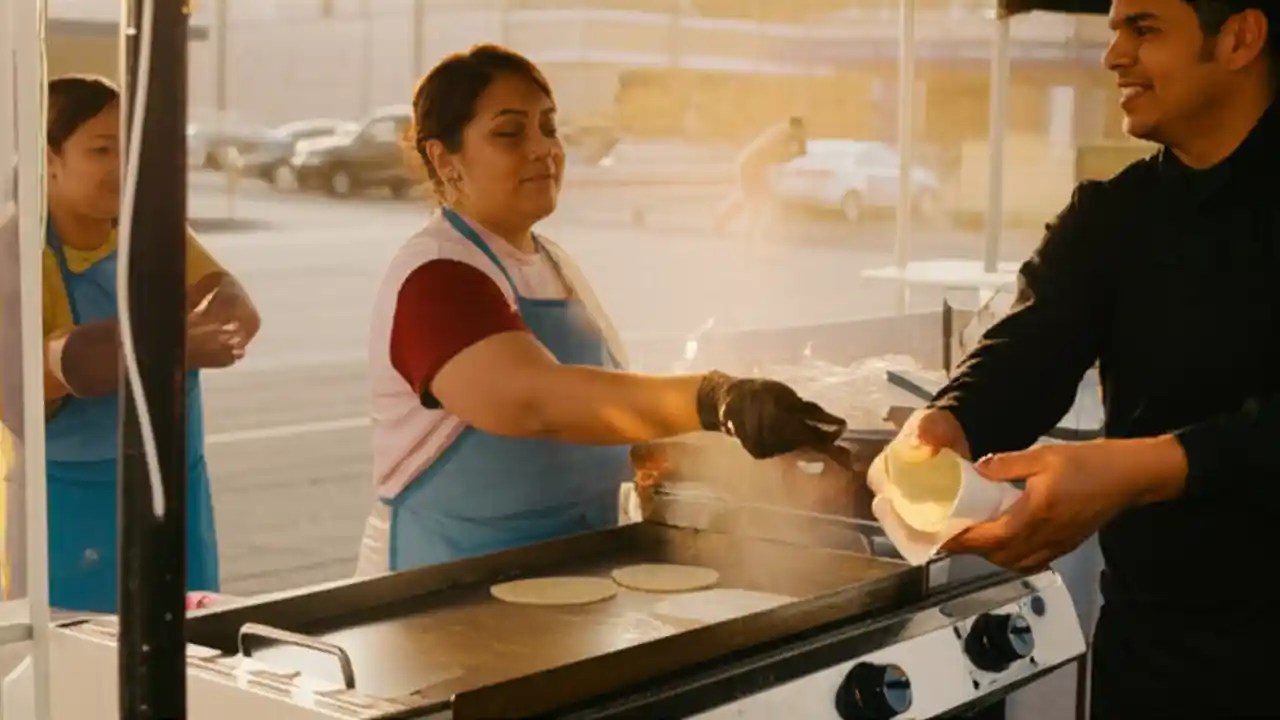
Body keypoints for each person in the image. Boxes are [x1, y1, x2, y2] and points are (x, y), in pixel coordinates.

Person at [889, 1, 1278, 716]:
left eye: (1145, 29)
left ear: (1239, 38)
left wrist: (1146, 468)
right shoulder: (1114, 217)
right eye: (1114, 31)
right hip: (1154, 654)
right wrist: (949, 422)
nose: (1113, 57)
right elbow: (1027, 349)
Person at [356, 46, 845, 575]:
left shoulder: (553, 265)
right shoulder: (437, 277)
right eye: (510, 133)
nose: (543, 148)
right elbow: (536, 401)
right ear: (444, 158)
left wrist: (752, 457)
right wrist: (711, 397)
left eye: (549, 127)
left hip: (572, 571)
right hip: (443, 590)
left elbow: (608, 416)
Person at [31, 74, 260, 612]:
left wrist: (213, 324)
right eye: (102, 149)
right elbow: (54, 368)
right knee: (82, 672)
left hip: (173, 495)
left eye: (132, 148)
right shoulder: (19, 253)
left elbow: (233, 303)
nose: (124, 166)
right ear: (50, 158)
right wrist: (175, 344)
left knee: (192, 652)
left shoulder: (150, 230)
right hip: (71, 514)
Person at [713, 116, 807, 242]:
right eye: (801, 131)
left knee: (755, 197)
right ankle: (746, 232)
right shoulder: (782, 135)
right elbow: (778, 155)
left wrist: (798, 149)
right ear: (796, 128)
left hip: (752, 166)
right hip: (750, 166)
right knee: (755, 199)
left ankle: (726, 220)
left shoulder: (783, 133)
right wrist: (795, 153)